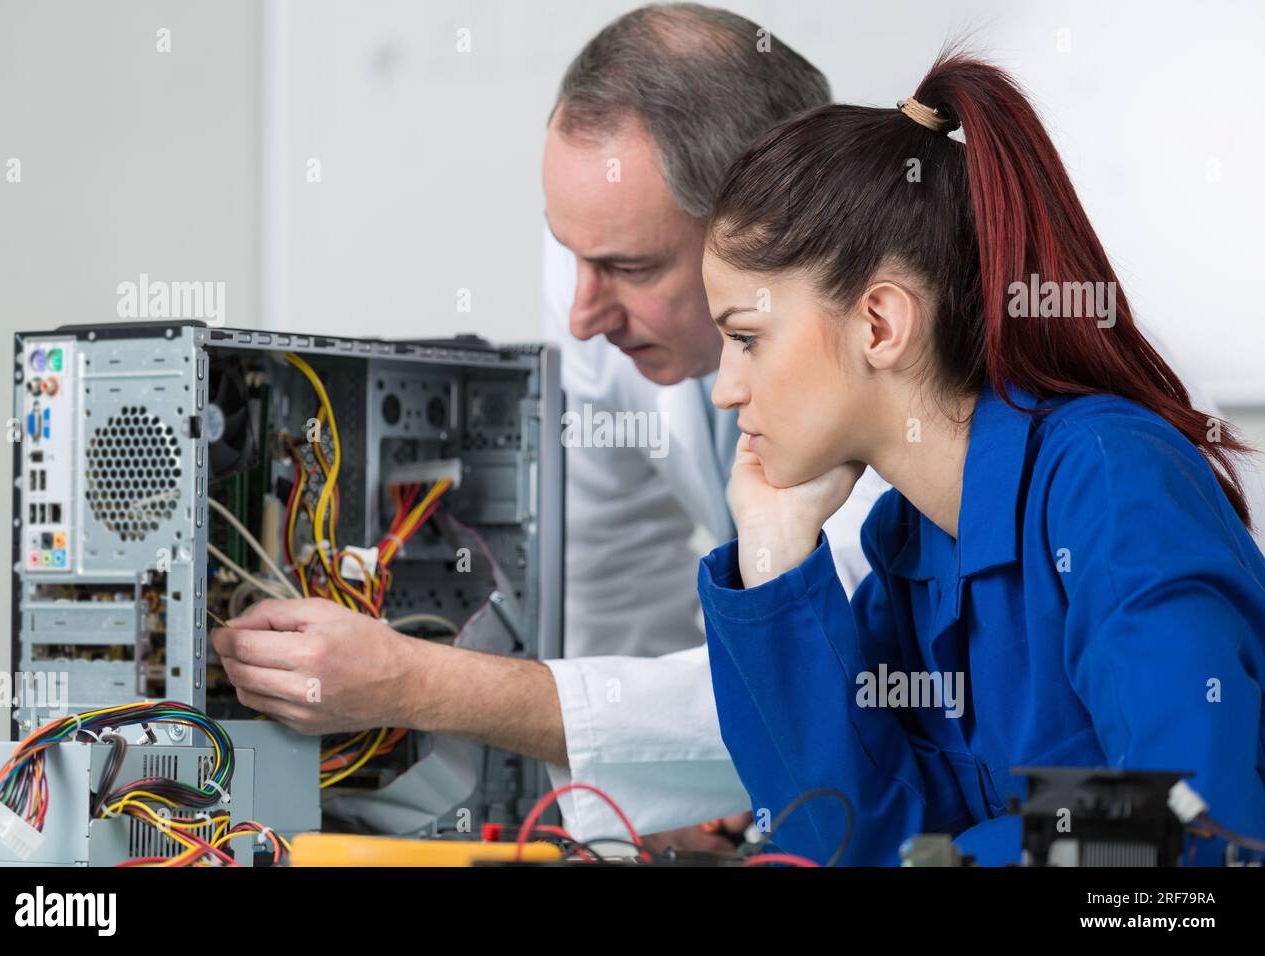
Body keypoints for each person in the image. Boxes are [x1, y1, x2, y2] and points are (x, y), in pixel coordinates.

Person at [214, 4, 889, 848]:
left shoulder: (897, 370)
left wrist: (418, 682)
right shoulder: (605, 253)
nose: (580, 314)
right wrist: (646, 801)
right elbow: (610, 593)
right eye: (569, 253)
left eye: (629, 268)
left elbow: (836, 676)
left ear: (770, 230)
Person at [696, 50, 1265, 866]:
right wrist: (775, 555)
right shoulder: (910, 540)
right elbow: (845, 840)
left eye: (747, 338)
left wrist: (952, 855)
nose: (725, 390)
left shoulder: (1110, 480)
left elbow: (1187, 830)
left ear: (880, 325)